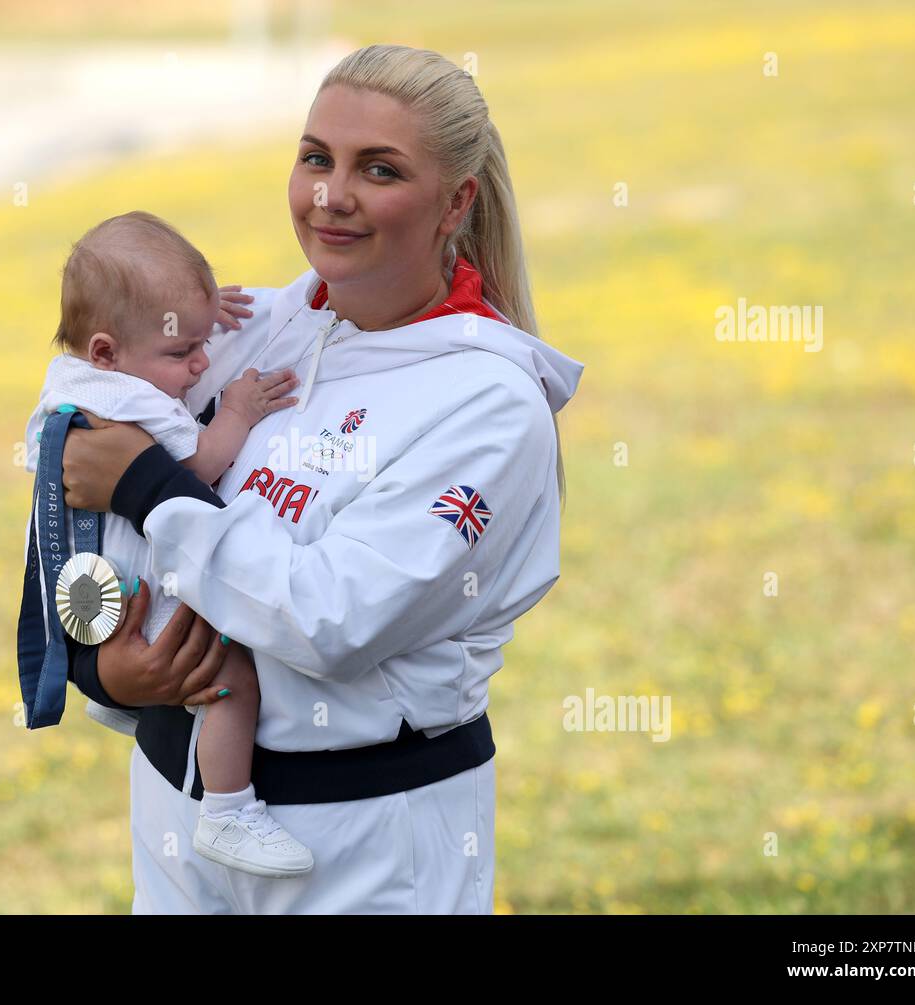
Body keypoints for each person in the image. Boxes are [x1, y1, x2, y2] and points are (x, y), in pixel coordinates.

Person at [58, 44, 585, 914]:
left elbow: (330, 617)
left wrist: (153, 488)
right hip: (174, 815)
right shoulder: (243, 327)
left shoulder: (490, 403)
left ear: (457, 201)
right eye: (315, 158)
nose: (330, 195)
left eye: (378, 169)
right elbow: (75, 491)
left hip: (362, 841)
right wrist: (101, 668)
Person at [23, 211, 314, 877]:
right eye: (183, 352)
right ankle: (228, 810)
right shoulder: (140, 402)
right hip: (151, 588)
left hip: (100, 583)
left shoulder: (72, 382)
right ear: (106, 350)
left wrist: (200, 310)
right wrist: (238, 408)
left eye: (206, 339)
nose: (203, 363)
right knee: (230, 679)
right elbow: (203, 463)